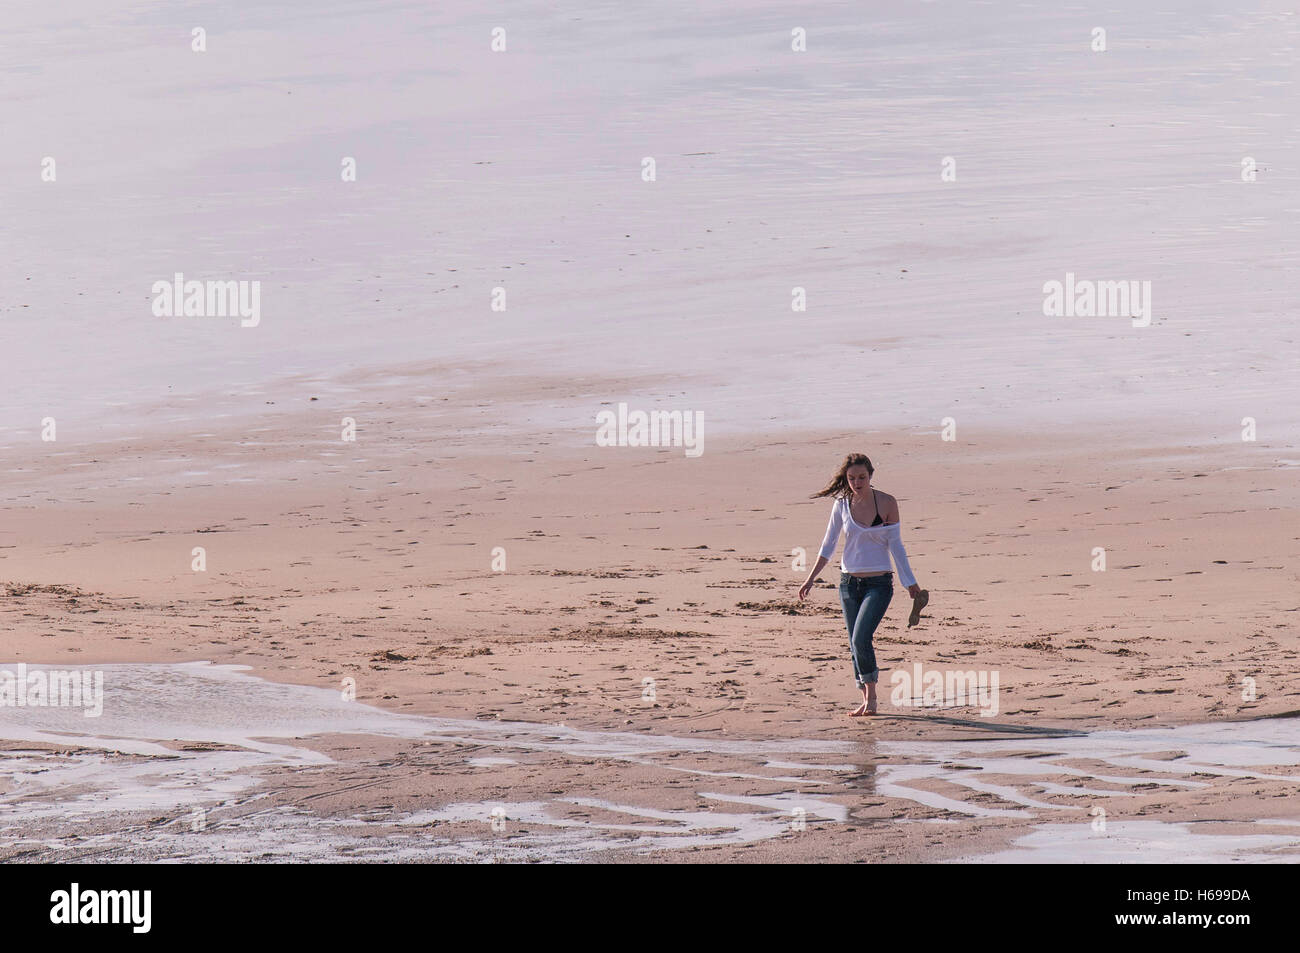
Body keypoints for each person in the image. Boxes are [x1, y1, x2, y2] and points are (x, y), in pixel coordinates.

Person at [797, 453, 928, 716]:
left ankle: (872, 698)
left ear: (871, 476)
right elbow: (828, 545)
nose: (857, 483)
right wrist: (810, 578)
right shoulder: (841, 505)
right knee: (854, 642)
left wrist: (910, 582)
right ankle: (865, 697)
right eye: (852, 478)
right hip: (848, 584)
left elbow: (896, 546)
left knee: (860, 638)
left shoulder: (887, 502)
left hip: (879, 584)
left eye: (862, 477)